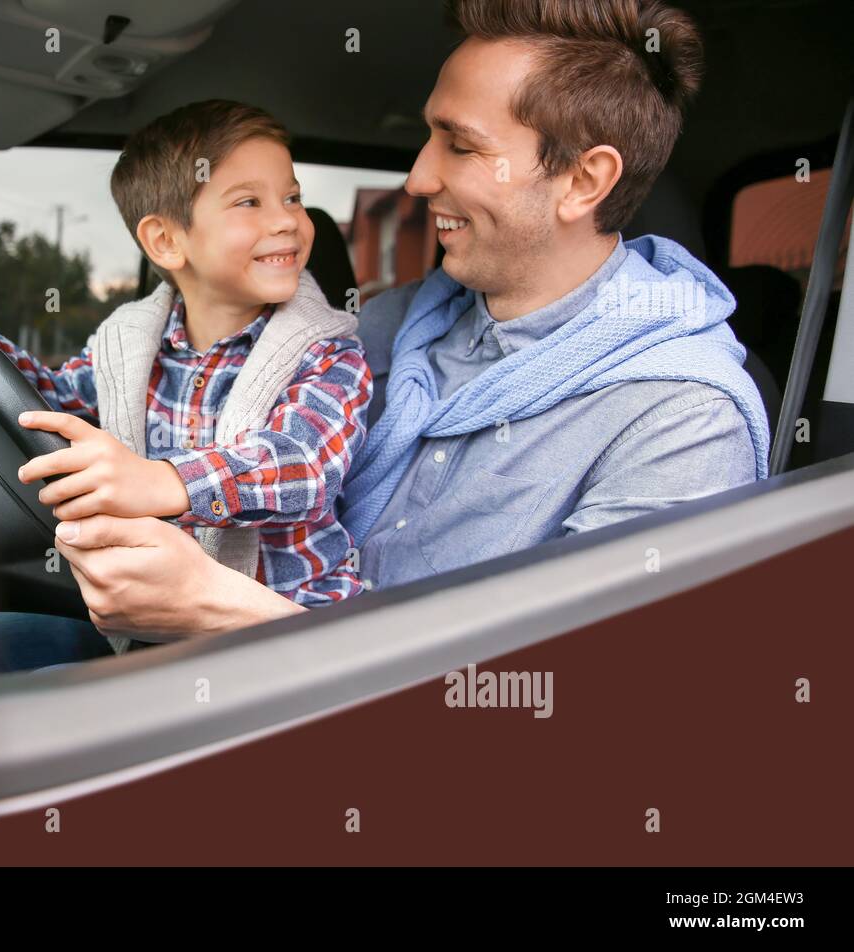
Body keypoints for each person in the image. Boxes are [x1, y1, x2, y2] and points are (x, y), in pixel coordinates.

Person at [43, 0, 770, 648]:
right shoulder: (386, 327)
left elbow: (564, 725)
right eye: (428, 138)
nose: (418, 179)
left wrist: (221, 609)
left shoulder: (683, 426)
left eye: (459, 145)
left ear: (583, 181)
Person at [0, 100, 373, 669]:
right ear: (165, 242)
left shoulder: (328, 350)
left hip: (287, 631)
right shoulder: (129, 346)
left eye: (292, 196)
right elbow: (52, 400)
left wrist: (162, 481)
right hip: (157, 626)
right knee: (0, 637)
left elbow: (303, 465)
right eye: (249, 202)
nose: (287, 219)